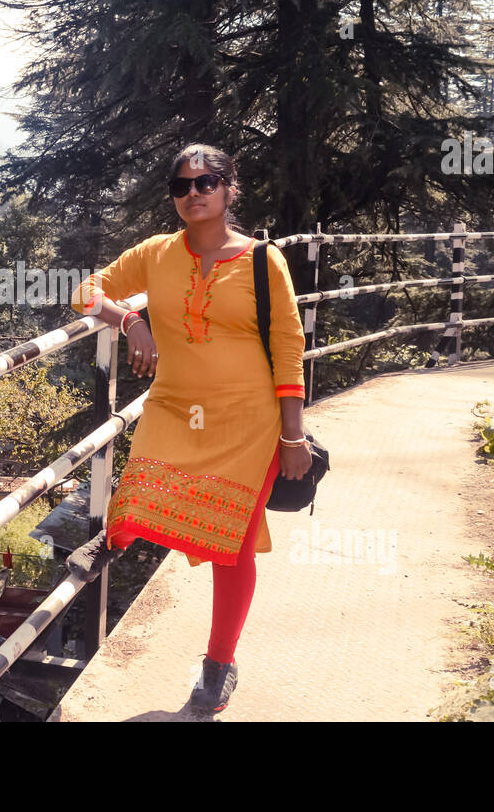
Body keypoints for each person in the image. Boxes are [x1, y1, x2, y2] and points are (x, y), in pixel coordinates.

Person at [67, 143, 311, 714]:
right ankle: (115, 539)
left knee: (233, 547)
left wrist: (292, 436)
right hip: (175, 405)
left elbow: (289, 347)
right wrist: (130, 319)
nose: (193, 194)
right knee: (145, 480)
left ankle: (219, 664)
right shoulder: (156, 254)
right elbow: (84, 290)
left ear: (229, 189)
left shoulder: (261, 260)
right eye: (182, 186)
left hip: (249, 423)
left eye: (206, 183)